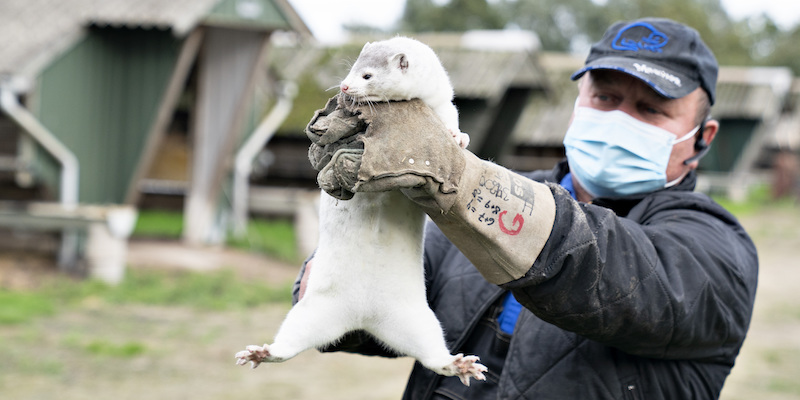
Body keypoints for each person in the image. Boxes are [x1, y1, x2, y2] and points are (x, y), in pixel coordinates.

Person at [297, 17, 758, 399]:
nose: (620, 118)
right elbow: (386, 308)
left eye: (650, 109)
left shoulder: (716, 249)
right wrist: (333, 284)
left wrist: (459, 179)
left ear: (703, 137)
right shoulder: (491, 195)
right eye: (605, 97)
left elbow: (613, 269)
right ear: (578, 104)